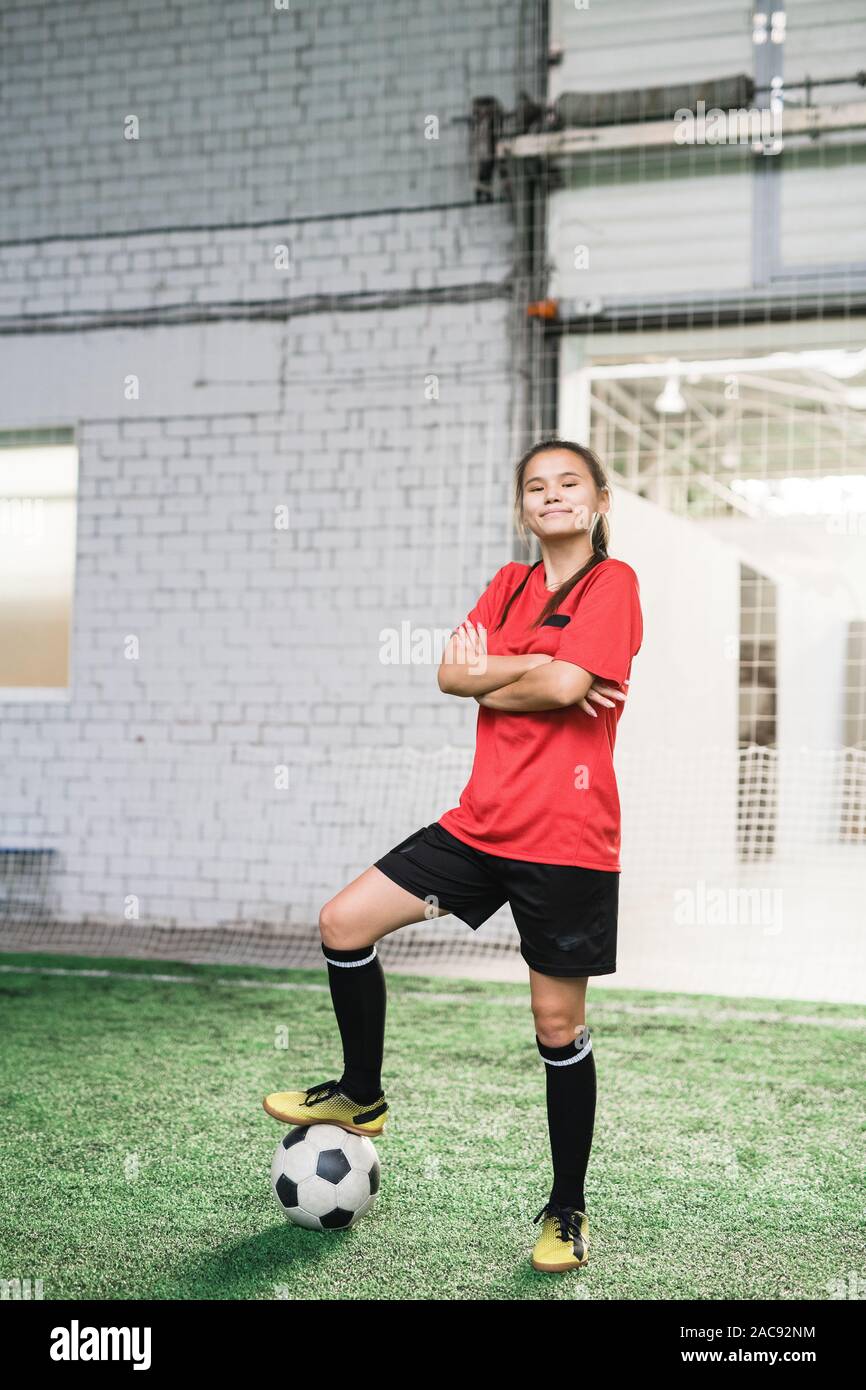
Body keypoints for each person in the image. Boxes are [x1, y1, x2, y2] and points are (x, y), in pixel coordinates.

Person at [263, 438, 643, 1274]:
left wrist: (520, 674)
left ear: (600, 500)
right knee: (343, 921)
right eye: (535, 487)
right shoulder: (507, 584)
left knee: (557, 1026)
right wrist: (544, 667)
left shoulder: (614, 584)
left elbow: (560, 689)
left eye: (569, 484)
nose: (551, 497)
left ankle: (567, 1210)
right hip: (478, 826)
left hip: (568, 842)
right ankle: (362, 1092)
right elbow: (451, 674)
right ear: (522, 509)